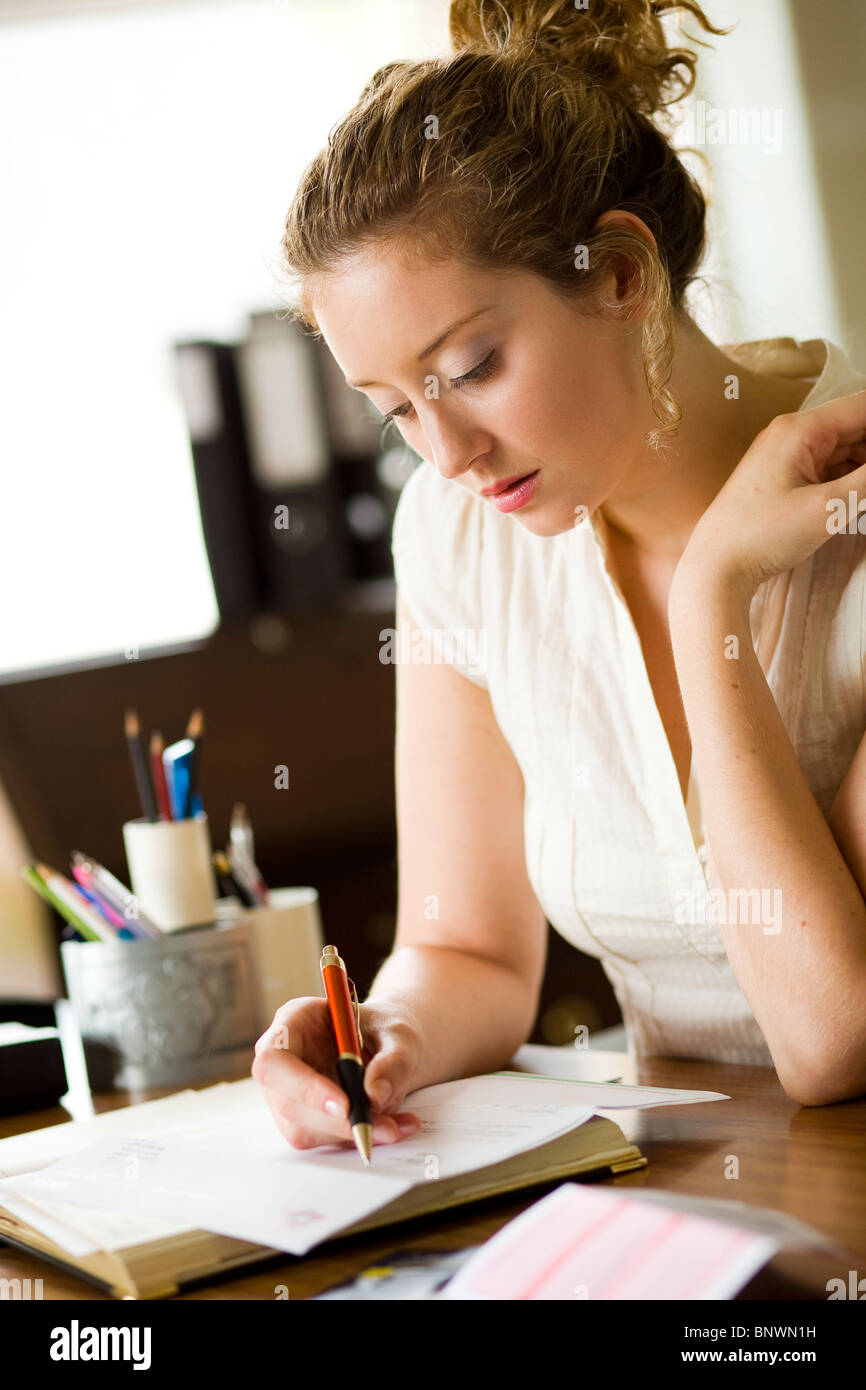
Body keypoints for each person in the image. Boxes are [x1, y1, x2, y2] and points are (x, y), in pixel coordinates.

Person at [252, 0, 866, 1148]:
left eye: (471, 366)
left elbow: (833, 1036)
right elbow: (469, 947)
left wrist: (708, 601)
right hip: (680, 1208)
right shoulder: (457, 537)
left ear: (623, 274)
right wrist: (388, 1034)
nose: (447, 456)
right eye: (393, 410)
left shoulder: (853, 518)